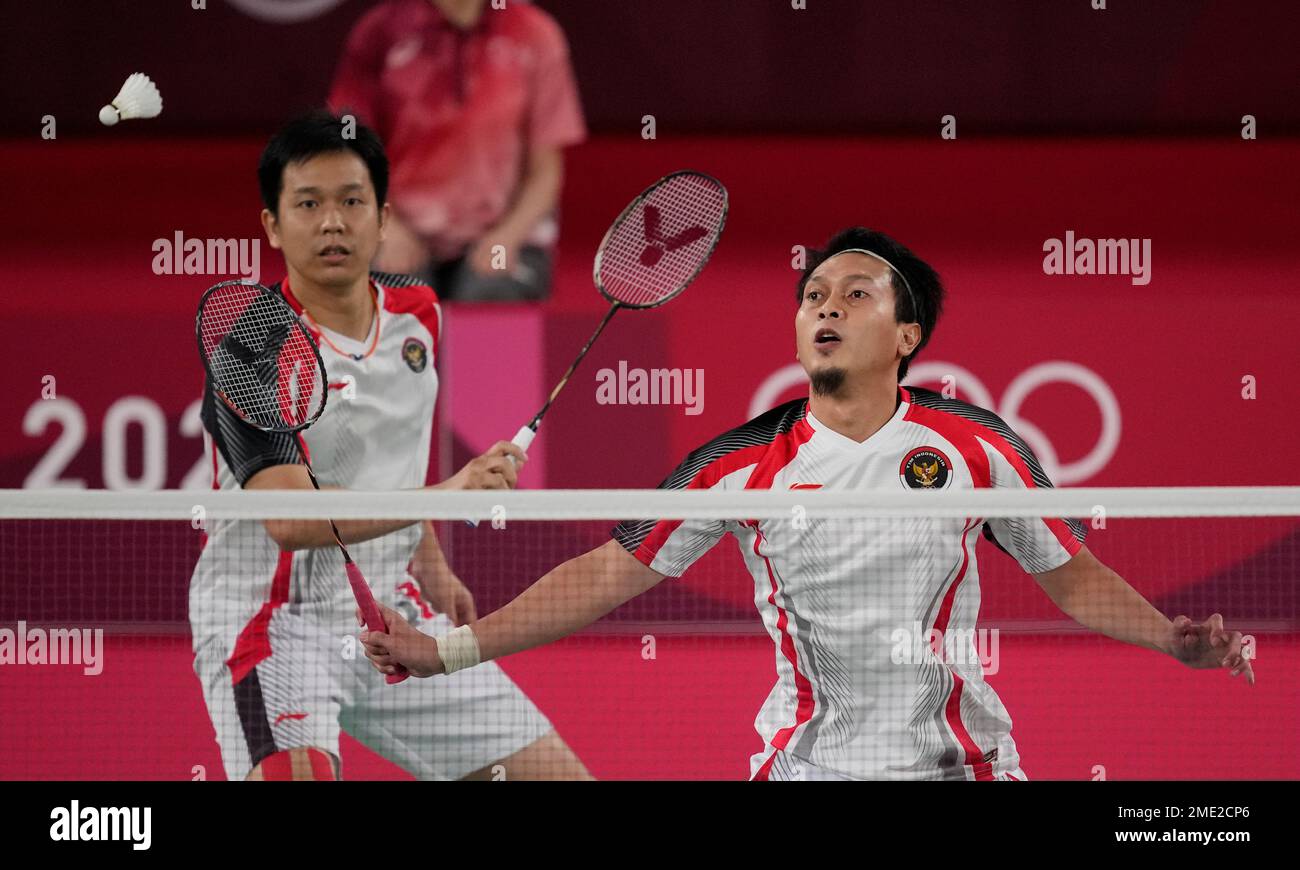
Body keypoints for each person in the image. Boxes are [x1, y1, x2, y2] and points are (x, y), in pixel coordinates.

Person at [358, 226, 1255, 781]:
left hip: (965, 763)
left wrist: (1169, 639)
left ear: (908, 336)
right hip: (808, 766)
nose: (825, 307)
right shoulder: (737, 464)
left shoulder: (978, 446)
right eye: (813, 295)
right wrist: (451, 652)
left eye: (855, 294)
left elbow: (1074, 578)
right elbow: (604, 574)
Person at [190, 110, 590, 780]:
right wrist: (452, 492)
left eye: (351, 202)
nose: (332, 223)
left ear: (383, 217)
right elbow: (292, 521)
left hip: (390, 614)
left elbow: (395, 458)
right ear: (272, 225)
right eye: (308, 204)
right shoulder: (251, 351)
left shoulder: (419, 314)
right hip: (273, 624)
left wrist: (433, 568)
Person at [328, 0, 586, 301]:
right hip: (397, 228)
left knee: (490, 298)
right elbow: (350, 154)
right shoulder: (379, 31)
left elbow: (546, 172)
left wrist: (507, 237)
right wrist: (388, 229)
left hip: (506, 234)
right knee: (397, 302)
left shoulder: (535, 32)